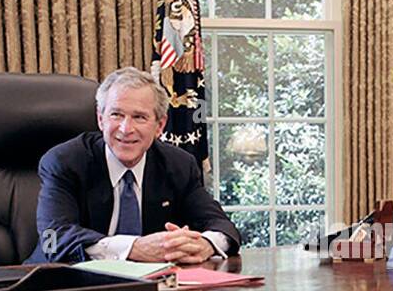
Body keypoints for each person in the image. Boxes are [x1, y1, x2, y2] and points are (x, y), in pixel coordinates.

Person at [27, 66, 240, 264]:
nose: (126, 129)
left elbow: (223, 226)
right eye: (116, 115)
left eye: (139, 117)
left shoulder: (179, 165)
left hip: (149, 284)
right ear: (101, 119)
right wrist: (133, 248)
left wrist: (205, 244)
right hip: (59, 282)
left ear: (160, 125)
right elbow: (52, 239)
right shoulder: (65, 162)